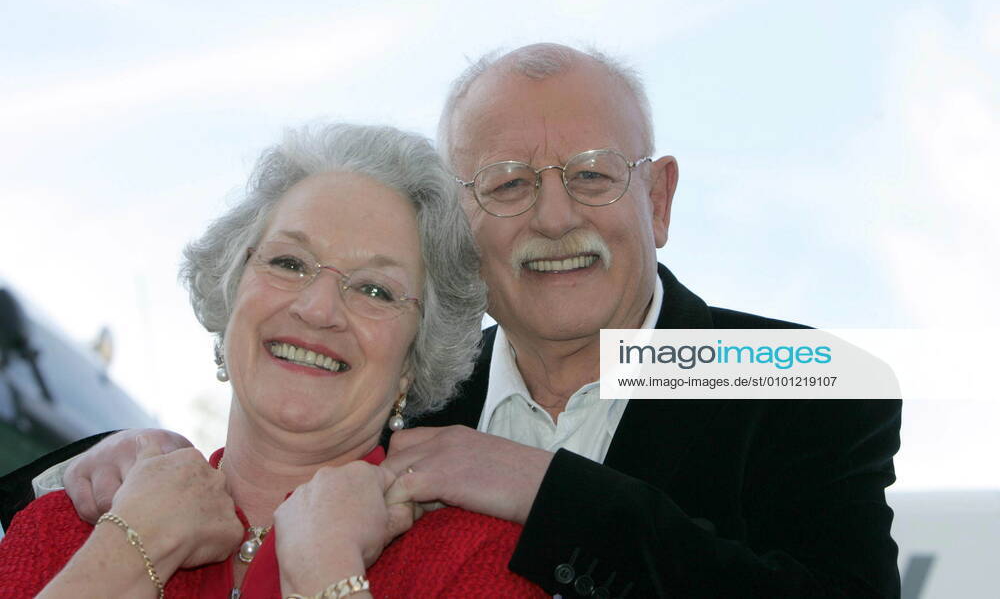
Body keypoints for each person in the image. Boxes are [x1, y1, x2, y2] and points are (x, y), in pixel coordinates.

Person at [1, 44, 902, 598]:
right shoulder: (396, 380)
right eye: (507, 184)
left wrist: (545, 490)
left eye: (592, 174)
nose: (555, 216)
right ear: (457, 233)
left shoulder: (785, 371)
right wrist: (96, 461)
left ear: (657, 199)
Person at [0, 123, 545, 598]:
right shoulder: (66, 529)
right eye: (289, 263)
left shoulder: (477, 559)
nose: (317, 309)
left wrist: (326, 571)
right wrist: (133, 546)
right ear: (231, 288)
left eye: (375, 290)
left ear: (413, 358)